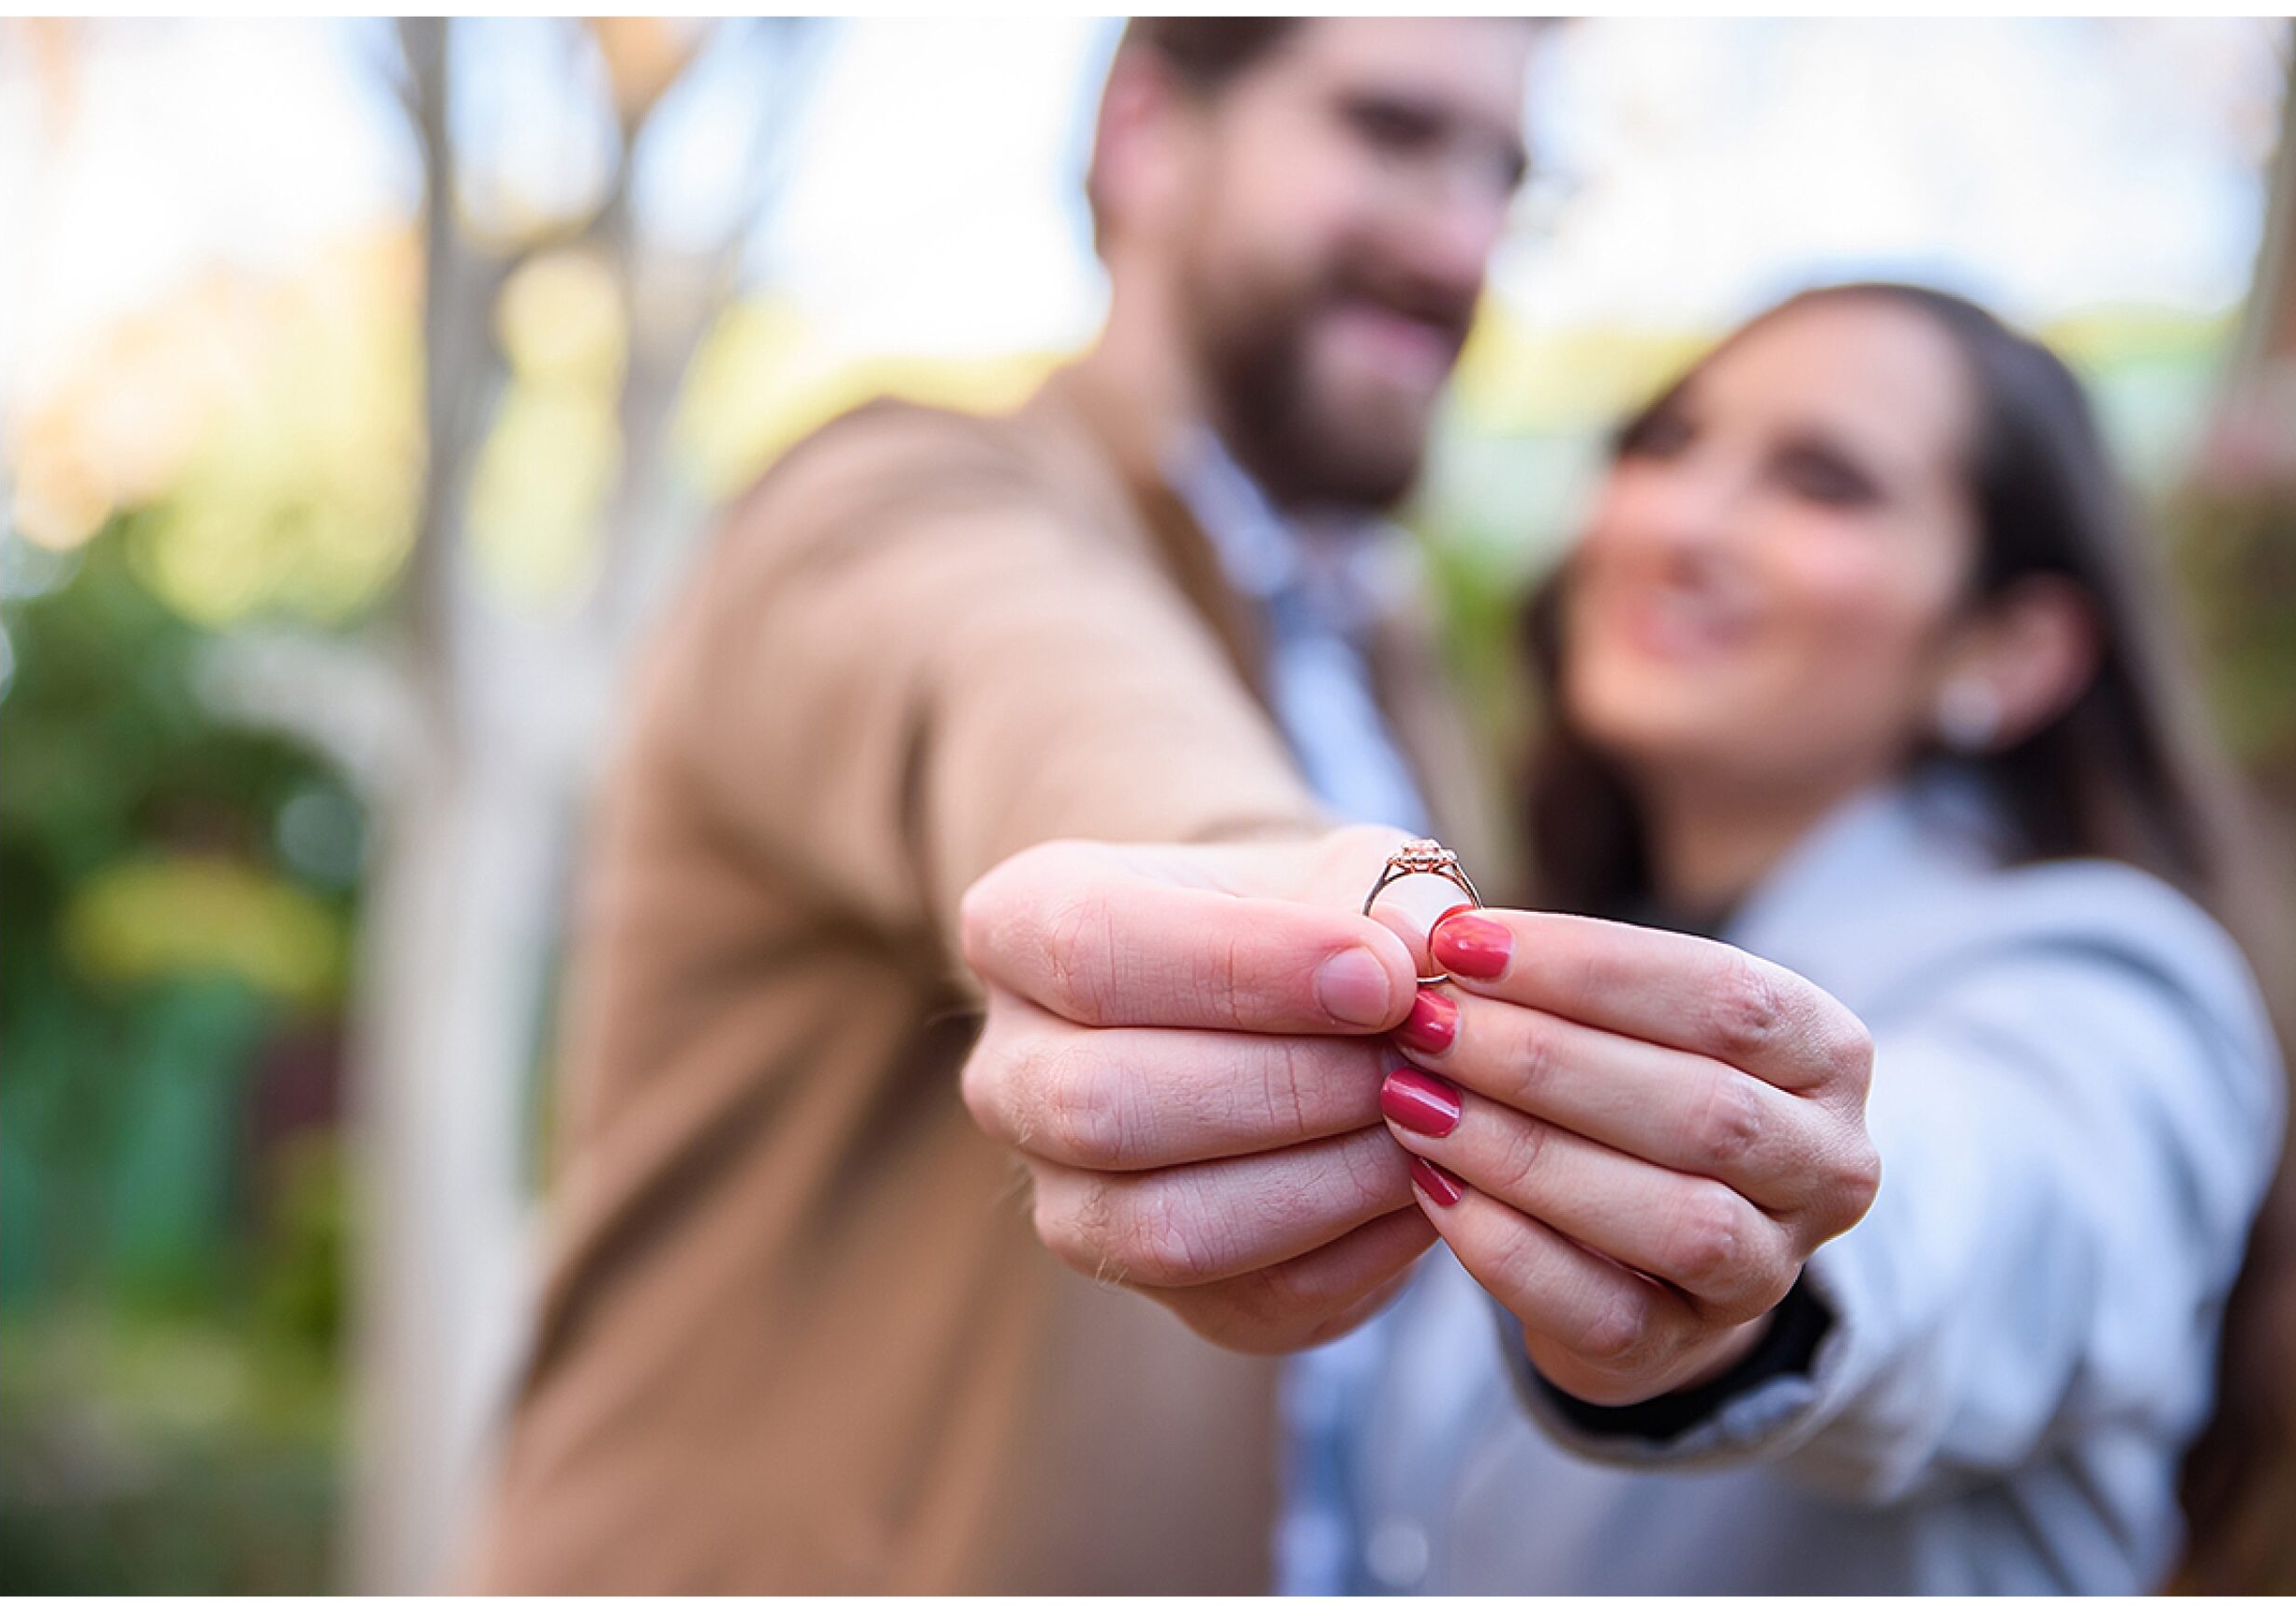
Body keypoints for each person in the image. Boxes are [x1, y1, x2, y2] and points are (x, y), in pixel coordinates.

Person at [954, 284, 2283, 1592]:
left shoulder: (2119, 978)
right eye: (1662, 443)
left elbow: (2009, 1207)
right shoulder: (1518, 941)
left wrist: (1778, 1239)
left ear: (2011, 647)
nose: (1681, 521)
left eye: (1822, 481)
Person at [469, 18, 1537, 1594]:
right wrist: (1255, 890)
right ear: (1149, 131)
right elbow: (1040, 698)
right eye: (1388, 132)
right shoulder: (897, 497)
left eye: (1504, 174)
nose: (1461, 241)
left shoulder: (1396, 662)